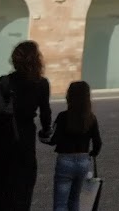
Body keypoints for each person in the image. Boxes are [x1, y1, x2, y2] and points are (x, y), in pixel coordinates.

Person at [0, 40, 52, 211]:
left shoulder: (3, 82)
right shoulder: (41, 84)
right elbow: (45, 113)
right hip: (23, 140)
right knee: (21, 190)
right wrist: (46, 131)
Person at [47, 81, 102, 211]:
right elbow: (97, 143)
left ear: (69, 96)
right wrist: (92, 153)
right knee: (74, 200)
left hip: (65, 160)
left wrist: (42, 136)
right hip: (83, 160)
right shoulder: (91, 118)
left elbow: (53, 140)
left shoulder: (63, 117)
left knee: (60, 203)